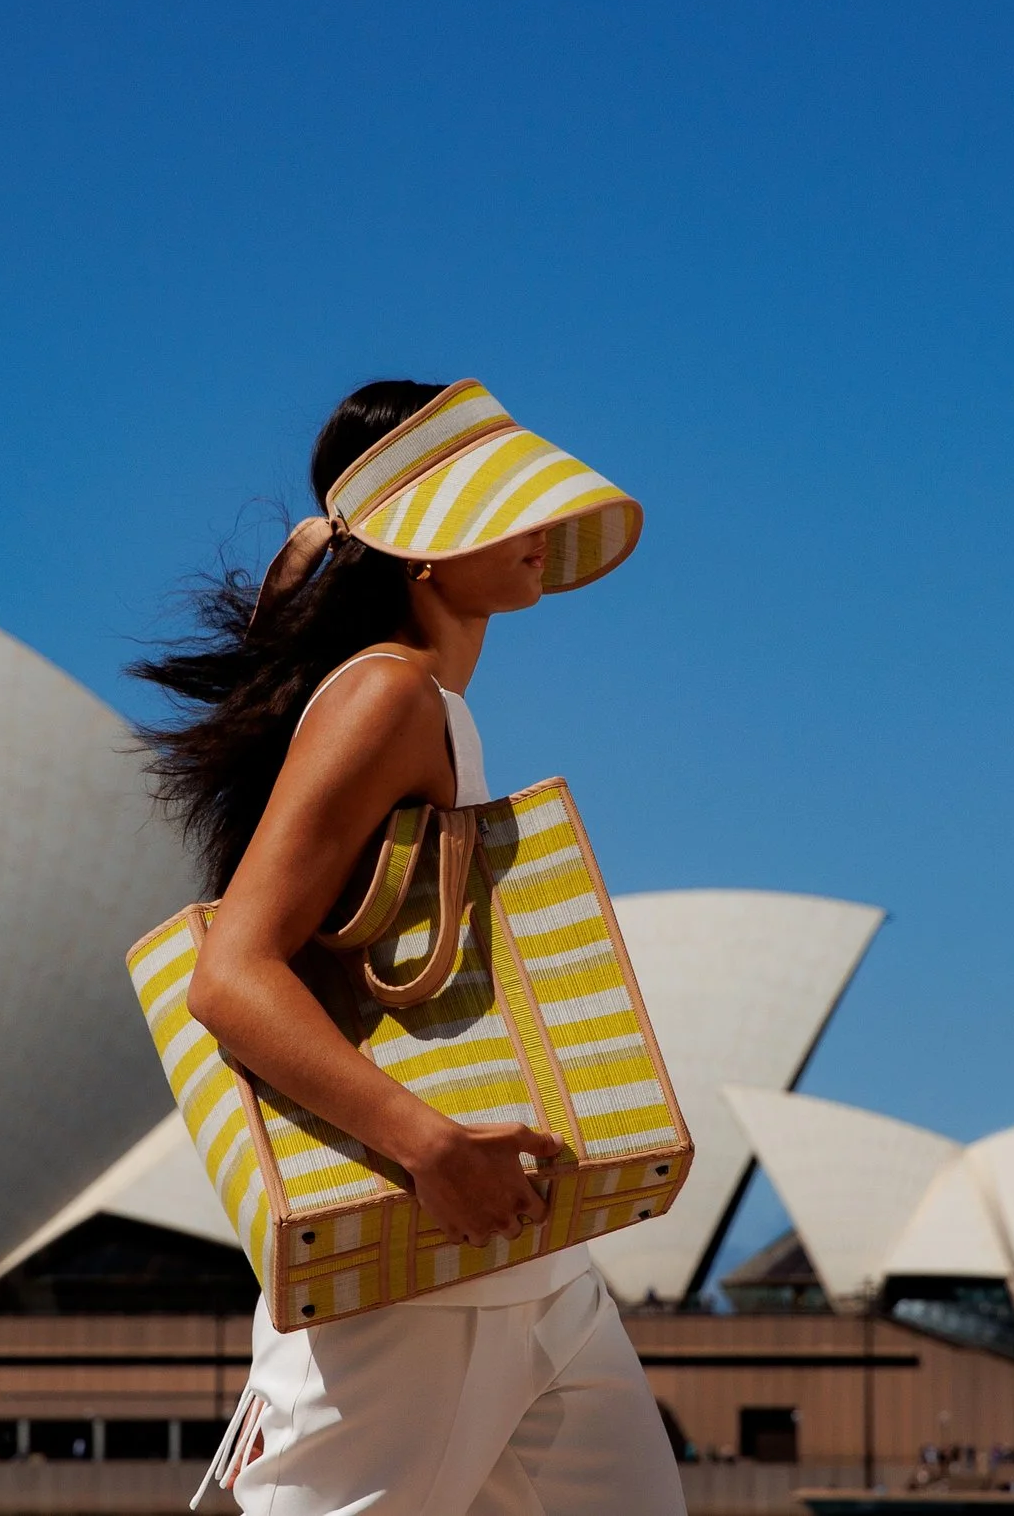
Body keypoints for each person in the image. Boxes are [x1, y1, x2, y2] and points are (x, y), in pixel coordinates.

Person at [135, 379, 685, 1516]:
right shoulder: (384, 694)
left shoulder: (423, 701)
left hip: (531, 1269)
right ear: (422, 549)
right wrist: (430, 1145)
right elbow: (231, 974)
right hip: (416, 1285)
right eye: (504, 505)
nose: (536, 527)